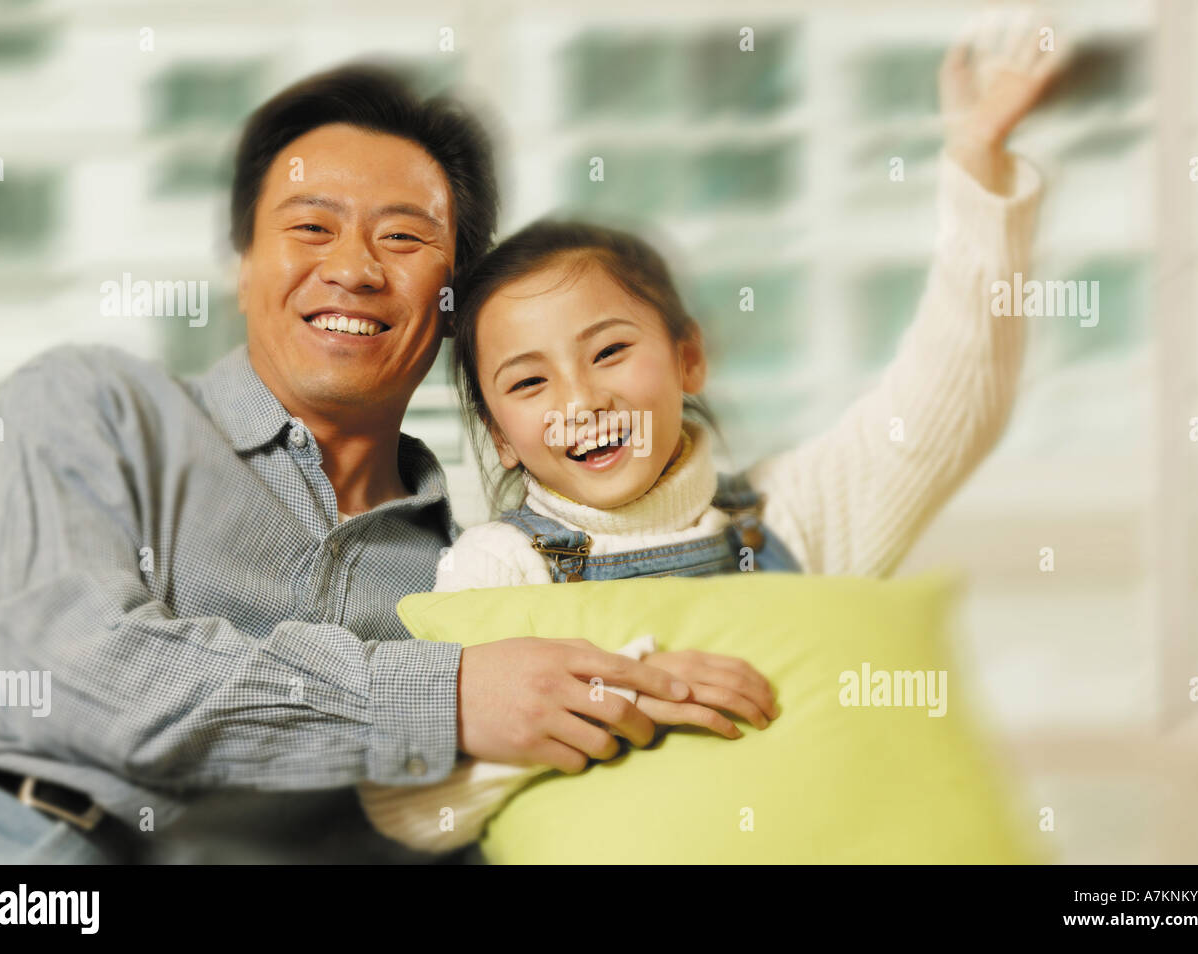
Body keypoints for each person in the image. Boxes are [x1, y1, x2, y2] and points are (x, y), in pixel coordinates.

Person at [0, 62, 738, 864]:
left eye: (403, 236)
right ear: (242, 265)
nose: (355, 269)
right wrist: (450, 697)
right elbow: (74, 674)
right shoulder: (94, 407)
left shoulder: (474, 581)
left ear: (454, 302)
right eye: (311, 228)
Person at [358, 14, 1065, 853]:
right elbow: (411, 808)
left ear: (688, 356)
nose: (580, 398)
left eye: (611, 350)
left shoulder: (795, 517)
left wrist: (977, 167)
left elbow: (954, 392)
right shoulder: (497, 570)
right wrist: (623, 696)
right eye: (529, 382)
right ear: (501, 437)